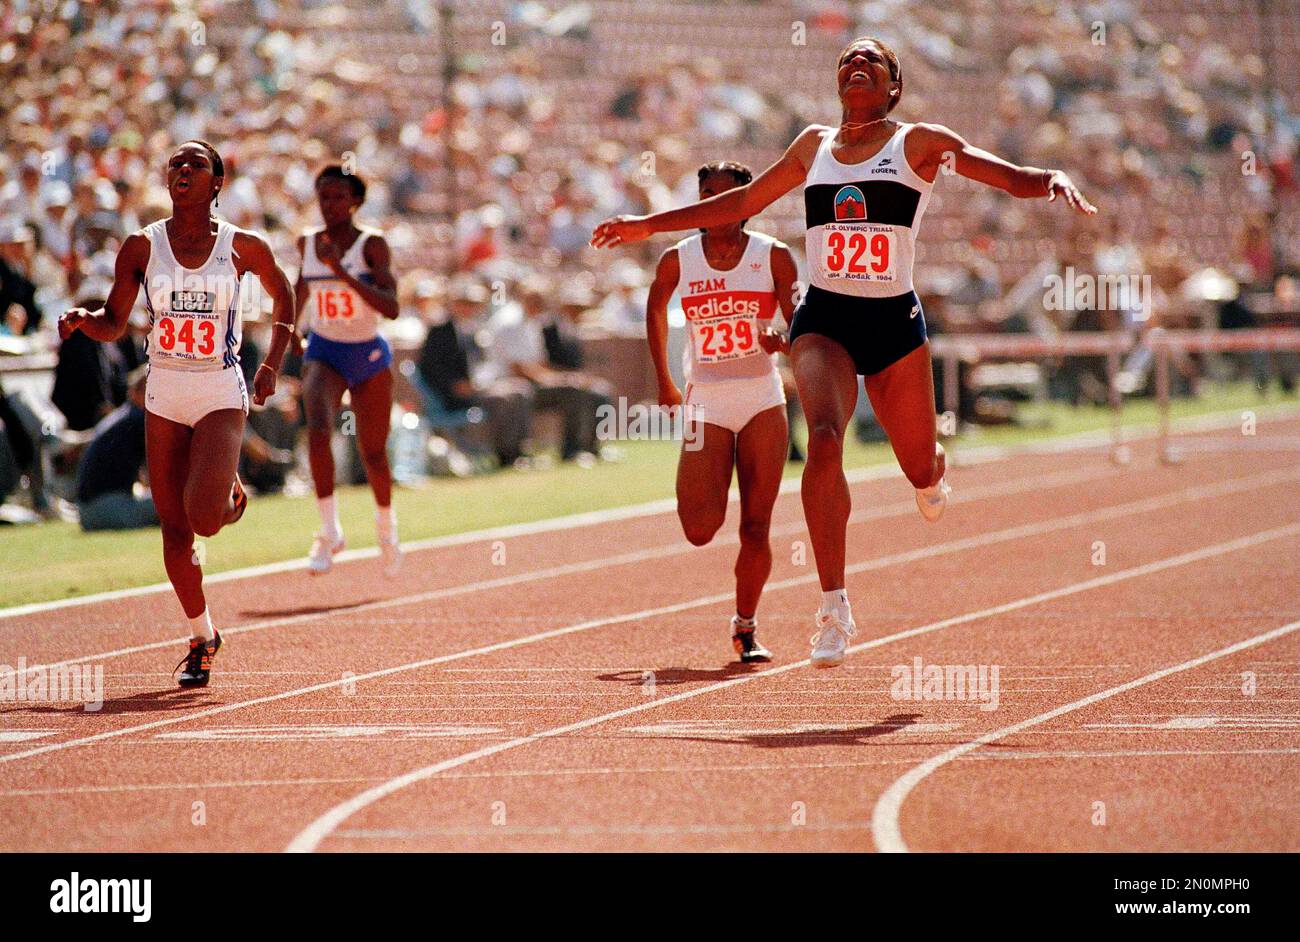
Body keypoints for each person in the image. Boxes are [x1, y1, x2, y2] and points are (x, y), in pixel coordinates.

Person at [594, 37, 1096, 668]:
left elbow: (994, 172)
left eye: (872, 62)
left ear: (893, 87)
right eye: (846, 61)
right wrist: (649, 225)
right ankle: (834, 606)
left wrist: (1048, 179)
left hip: (893, 323)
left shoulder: (916, 143)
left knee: (916, 465)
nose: (856, 65)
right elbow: (741, 204)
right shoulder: (813, 147)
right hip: (825, 318)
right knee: (826, 437)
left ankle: (933, 467)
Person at [58, 140, 295, 688]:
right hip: (163, 390)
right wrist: (83, 320)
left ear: (217, 183)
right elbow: (115, 320)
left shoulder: (243, 247)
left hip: (218, 387)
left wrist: (273, 365)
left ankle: (230, 495)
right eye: (175, 164)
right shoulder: (142, 246)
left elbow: (284, 297)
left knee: (203, 518)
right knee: (174, 534)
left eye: (196, 164)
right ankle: (202, 637)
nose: (183, 170)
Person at [645, 160, 799, 662]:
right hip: (705, 399)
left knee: (756, 526)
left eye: (724, 194)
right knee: (698, 529)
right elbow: (654, 308)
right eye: (704, 193)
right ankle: (711, 480)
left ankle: (745, 626)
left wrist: (783, 341)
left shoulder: (773, 257)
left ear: (746, 202)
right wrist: (665, 382)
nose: (713, 203)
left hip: (761, 398)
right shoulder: (678, 259)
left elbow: (803, 328)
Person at [294, 165, 402, 576]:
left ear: (355, 202)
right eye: (324, 197)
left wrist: (341, 272)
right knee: (318, 428)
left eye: (339, 197)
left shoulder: (372, 245)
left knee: (372, 452)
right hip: (324, 350)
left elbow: (392, 308)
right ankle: (329, 530)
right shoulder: (307, 243)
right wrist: (288, 332)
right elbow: (297, 291)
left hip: (367, 354)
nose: (330, 205)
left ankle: (386, 527)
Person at [76, 365, 158, 531]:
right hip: (106, 508)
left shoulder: (124, 416)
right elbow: (158, 472)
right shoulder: (138, 419)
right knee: (177, 504)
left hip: (89, 510)